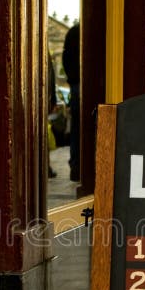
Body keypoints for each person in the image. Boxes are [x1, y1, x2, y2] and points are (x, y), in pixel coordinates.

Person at [62, 24, 81, 182]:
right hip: (82, 83)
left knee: (76, 127)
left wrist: (72, 79)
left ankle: (76, 165)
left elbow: (65, 58)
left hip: (76, 85)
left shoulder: (73, 32)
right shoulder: (94, 31)